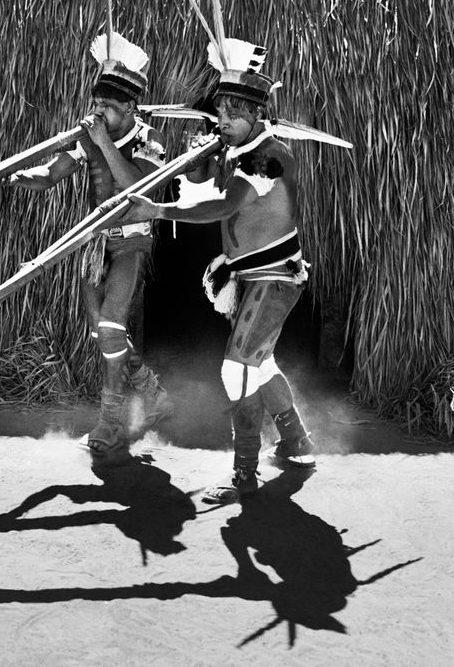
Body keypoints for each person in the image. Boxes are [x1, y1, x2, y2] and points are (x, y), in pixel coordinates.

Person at [125, 34, 316, 503]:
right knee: (261, 364)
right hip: (252, 279)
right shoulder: (235, 152)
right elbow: (203, 196)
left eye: (235, 114)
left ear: (257, 115)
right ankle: (298, 444)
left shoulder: (269, 156)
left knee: (237, 370)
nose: (225, 122)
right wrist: (193, 170)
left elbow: (222, 207)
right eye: (222, 114)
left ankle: (244, 475)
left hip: (273, 280)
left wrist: (157, 210)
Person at [9, 31, 173, 458]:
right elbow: (50, 175)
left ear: (129, 108)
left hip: (131, 243)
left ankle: (110, 423)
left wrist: (101, 142)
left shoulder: (149, 142)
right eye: (95, 104)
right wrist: (17, 175)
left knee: (112, 327)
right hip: (95, 244)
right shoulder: (89, 138)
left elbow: (140, 188)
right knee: (103, 334)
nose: (96, 112)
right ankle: (150, 390)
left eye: (105, 107)